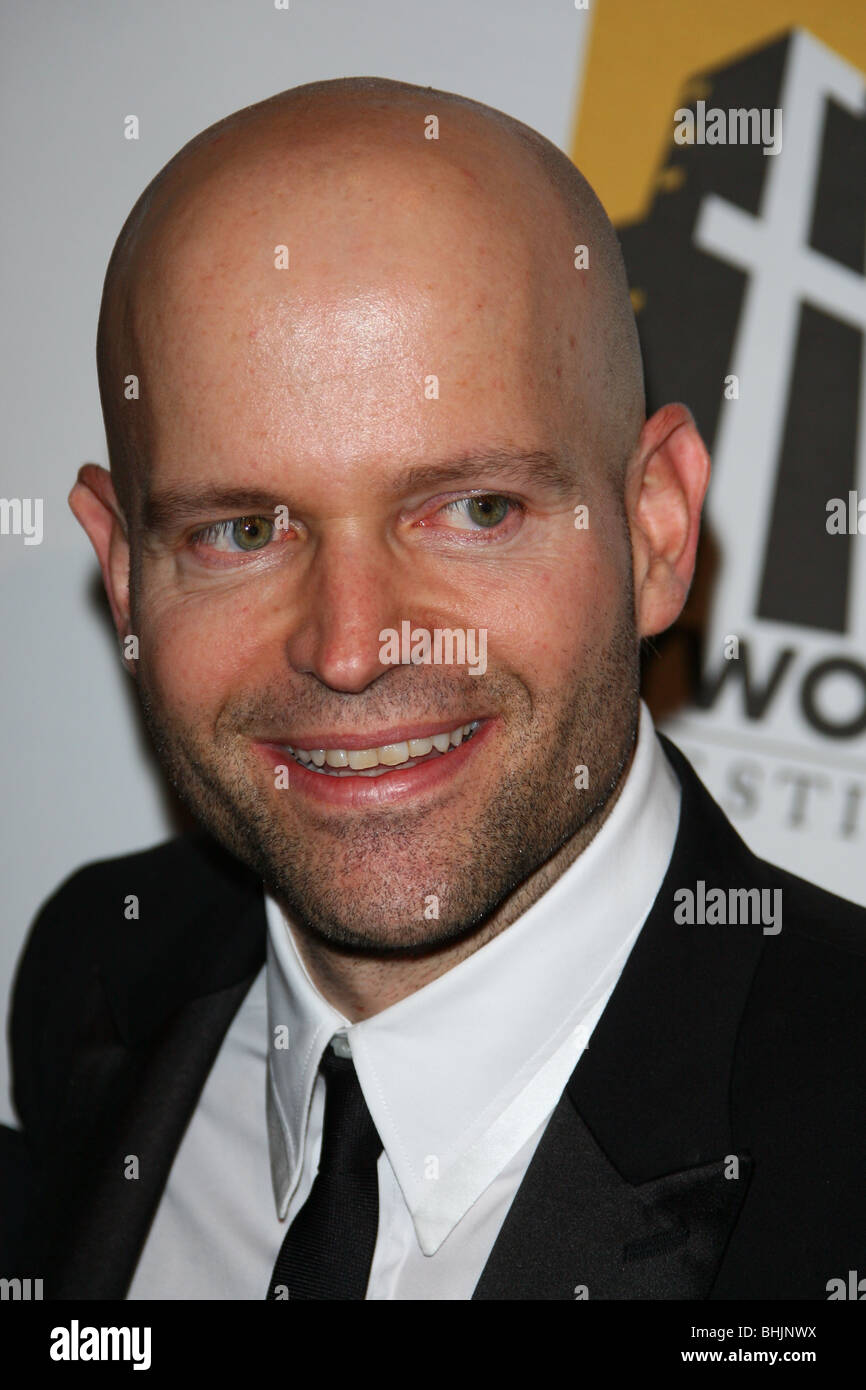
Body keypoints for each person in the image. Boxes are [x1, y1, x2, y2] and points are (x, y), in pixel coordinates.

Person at [5, 76, 865, 1301]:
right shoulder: (99, 977)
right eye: (241, 532)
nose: (350, 648)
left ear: (657, 528)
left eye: (472, 510)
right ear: (122, 572)